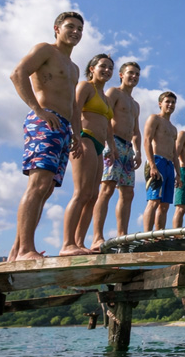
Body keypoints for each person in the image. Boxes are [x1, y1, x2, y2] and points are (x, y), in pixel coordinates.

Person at [8, 11, 84, 262]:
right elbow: (18, 73)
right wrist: (37, 110)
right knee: (38, 184)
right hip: (45, 120)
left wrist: (76, 133)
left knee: (47, 188)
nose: (75, 32)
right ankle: (24, 250)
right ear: (57, 29)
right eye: (70, 27)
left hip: (63, 127)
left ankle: (17, 250)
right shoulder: (45, 50)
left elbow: (73, 104)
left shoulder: (73, 68)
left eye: (79, 29)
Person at [60, 54, 116, 256]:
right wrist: (74, 134)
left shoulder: (106, 97)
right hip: (84, 137)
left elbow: (108, 124)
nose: (107, 70)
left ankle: (79, 242)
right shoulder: (85, 87)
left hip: (100, 146)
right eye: (103, 66)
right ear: (92, 68)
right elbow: (74, 109)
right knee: (81, 192)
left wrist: (112, 145)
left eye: (110, 68)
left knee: (93, 195)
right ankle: (67, 243)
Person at [90, 62, 143, 251]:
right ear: (121, 75)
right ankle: (97, 236)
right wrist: (109, 144)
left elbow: (136, 131)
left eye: (137, 74)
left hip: (128, 148)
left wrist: (138, 151)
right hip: (113, 143)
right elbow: (105, 116)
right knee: (107, 189)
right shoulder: (114, 93)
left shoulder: (135, 104)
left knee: (128, 192)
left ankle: (122, 238)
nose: (134, 77)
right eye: (130, 73)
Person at [142, 91, 180, 233]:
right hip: (157, 161)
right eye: (167, 102)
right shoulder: (154, 119)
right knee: (153, 201)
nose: (170, 105)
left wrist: (179, 174)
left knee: (165, 205)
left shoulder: (173, 128)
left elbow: (175, 153)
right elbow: (147, 141)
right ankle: (146, 236)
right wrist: (152, 164)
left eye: (173, 102)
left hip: (169, 165)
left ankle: (159, 235)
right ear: (160, 104)